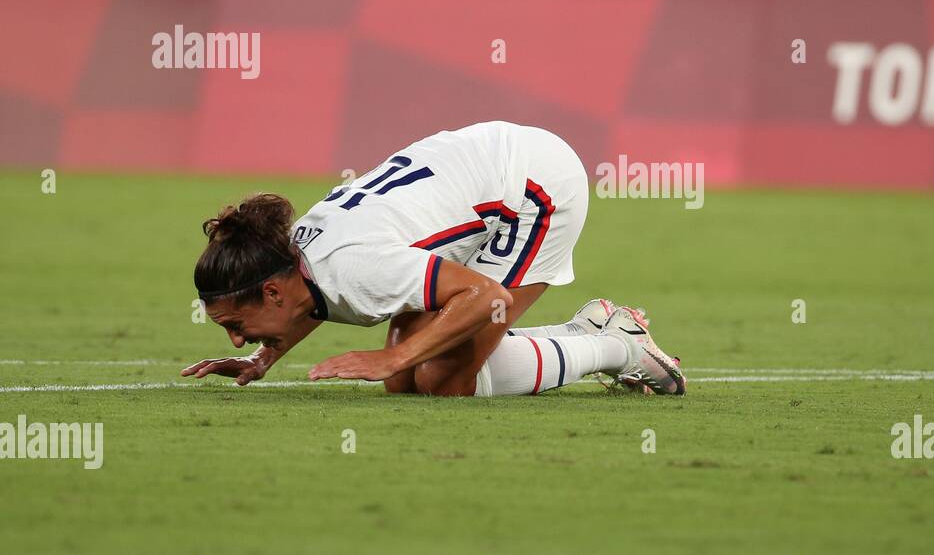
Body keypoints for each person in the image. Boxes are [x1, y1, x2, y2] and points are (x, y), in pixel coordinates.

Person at [180, 121, 686, 397]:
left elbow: (485, 296)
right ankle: (587, 329)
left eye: (237, 325)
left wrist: (394, 354)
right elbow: (312, 297)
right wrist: (262, 358)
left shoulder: (357, 267)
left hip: (534, 190)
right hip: (486, 170)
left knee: (440, 378)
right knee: (404, 382)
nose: (236, 337)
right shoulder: (299, 261)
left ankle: (618, 346)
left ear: (270, 290)